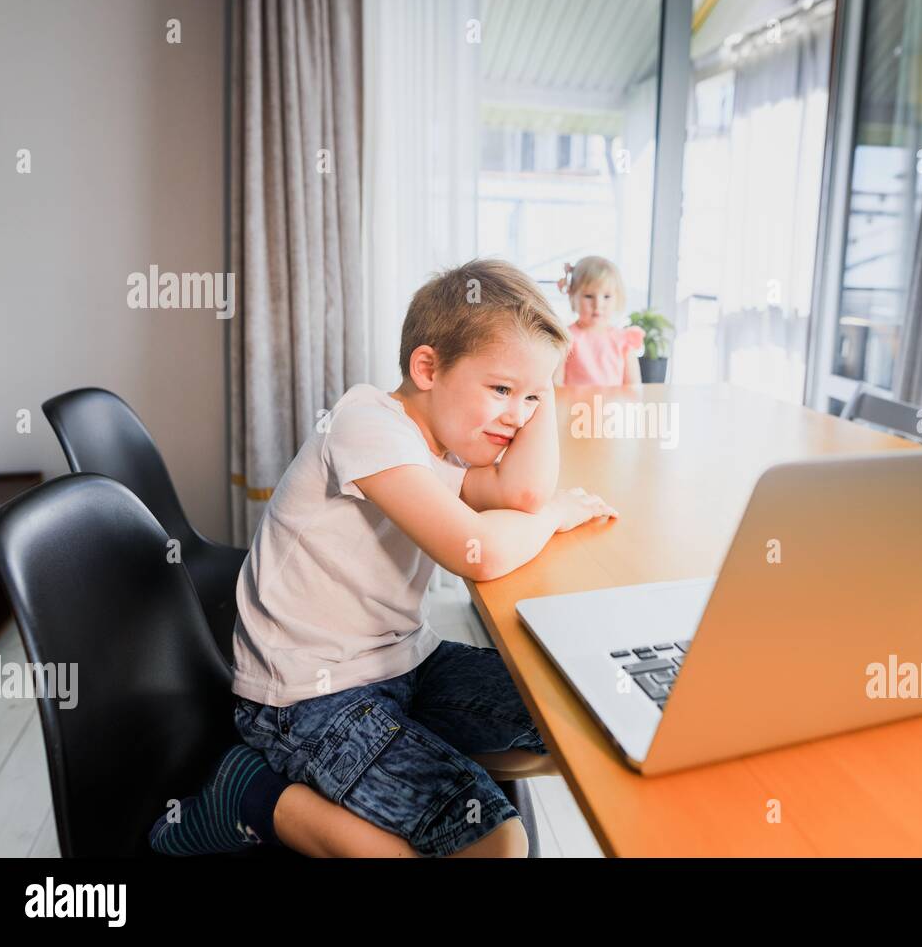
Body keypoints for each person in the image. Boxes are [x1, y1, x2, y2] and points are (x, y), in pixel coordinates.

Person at [150, 259, 617, 857]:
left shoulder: (447, 443)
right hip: (307, 698)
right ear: (426, 368)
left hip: (401, 663)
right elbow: (478, 550)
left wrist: (540, 380)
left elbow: (521, 493)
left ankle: (391, 750)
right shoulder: (366, 424)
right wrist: (555, 516)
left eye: (530, 397)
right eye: (501, 389)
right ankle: (250, 796)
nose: (518, 414)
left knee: (573, 709)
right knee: (499, 843)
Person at [553, 256, 645, 387]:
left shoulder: (623, 340)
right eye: (589, 296)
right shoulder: (567, 338)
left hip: (613, 407)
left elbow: (633, 387)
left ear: (618, 297)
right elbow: (556, 384)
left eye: (606, 296)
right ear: (573, 295)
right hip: (575, 407)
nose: (598, 304)